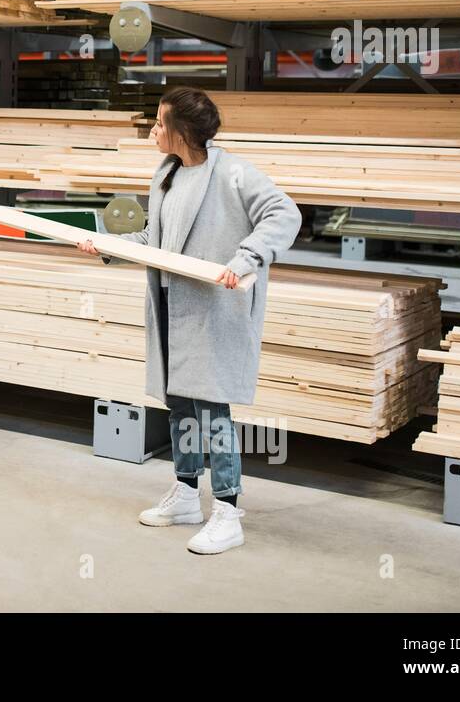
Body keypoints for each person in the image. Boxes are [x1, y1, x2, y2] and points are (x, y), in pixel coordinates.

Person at [78, 87, 300, 554]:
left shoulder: (233, 174)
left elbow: (285, 213)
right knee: (179, 404)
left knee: (212, 410)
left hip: (213, 310)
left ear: (180, 131)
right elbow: (153, 240)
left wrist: (246, 258)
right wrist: (108, 247)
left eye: (159, 124)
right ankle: (185, 494)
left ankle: (227, 509)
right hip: (171, 306)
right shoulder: (166, 174)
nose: (154, 132)